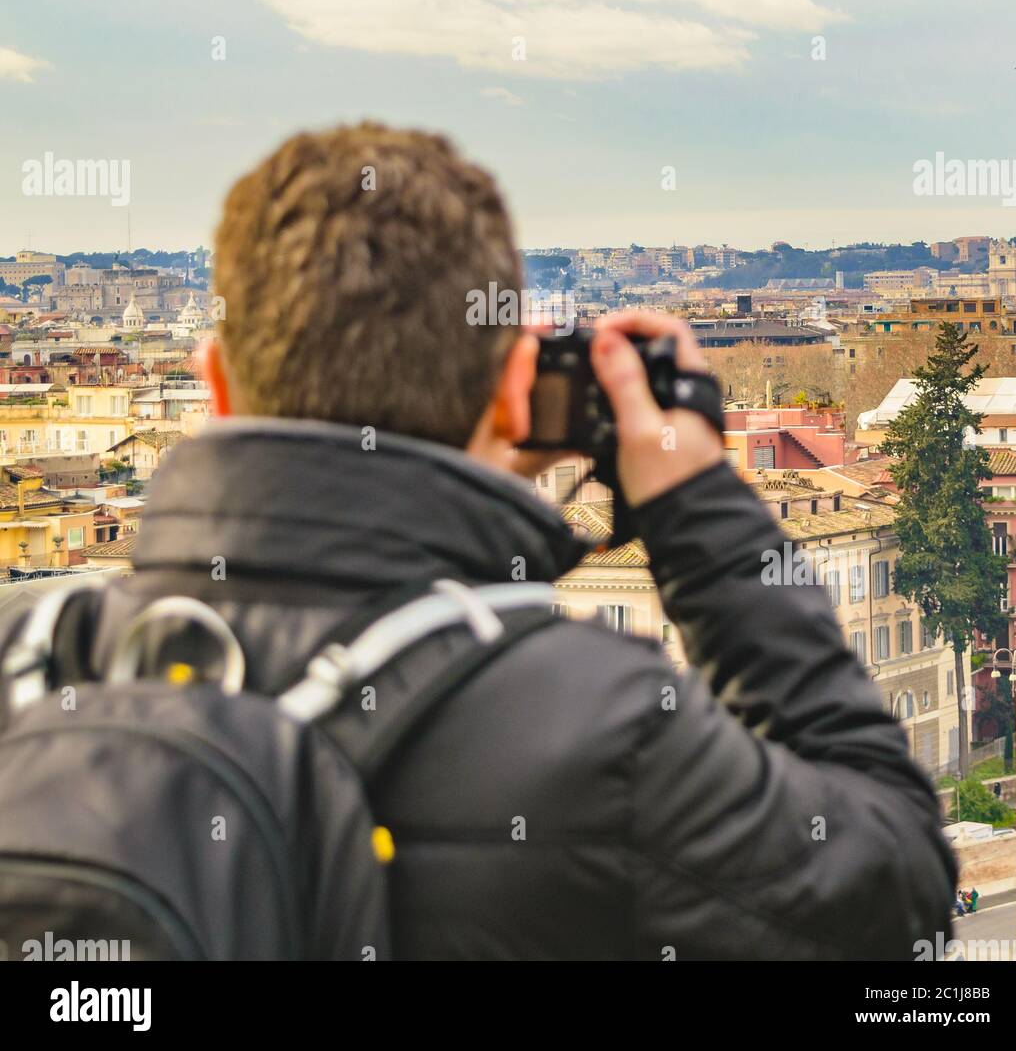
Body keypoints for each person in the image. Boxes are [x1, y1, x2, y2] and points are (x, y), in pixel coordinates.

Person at [83, 121, 955, 959]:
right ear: (511, 390)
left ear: (215, 387)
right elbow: (897, 887)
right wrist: (699, 510)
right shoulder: (599, 734)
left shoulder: (36, 660)